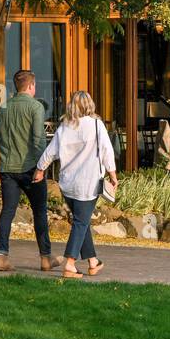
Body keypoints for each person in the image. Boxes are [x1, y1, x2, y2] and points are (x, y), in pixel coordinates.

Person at [33, 91, 118, 278]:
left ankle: (93, 261)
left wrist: (40, 170)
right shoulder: (96, 125)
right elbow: (107, 151)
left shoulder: (65, 127)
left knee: (82, 220)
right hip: (88, 183)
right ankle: (70, 263)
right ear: (90, 104)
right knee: (81, 222)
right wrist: (113, 175)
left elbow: (50, 151)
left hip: (68, 183)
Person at [0, 69, 55, 272]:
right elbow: (38, 139)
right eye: (34, 85)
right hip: (30, 168)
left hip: (7, 167)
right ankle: (45, 257)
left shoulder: (2, 108)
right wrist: (41, 166)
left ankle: (1, 256)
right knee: (39, 211)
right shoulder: (35, 107)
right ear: (30, 86)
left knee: (7, 211)